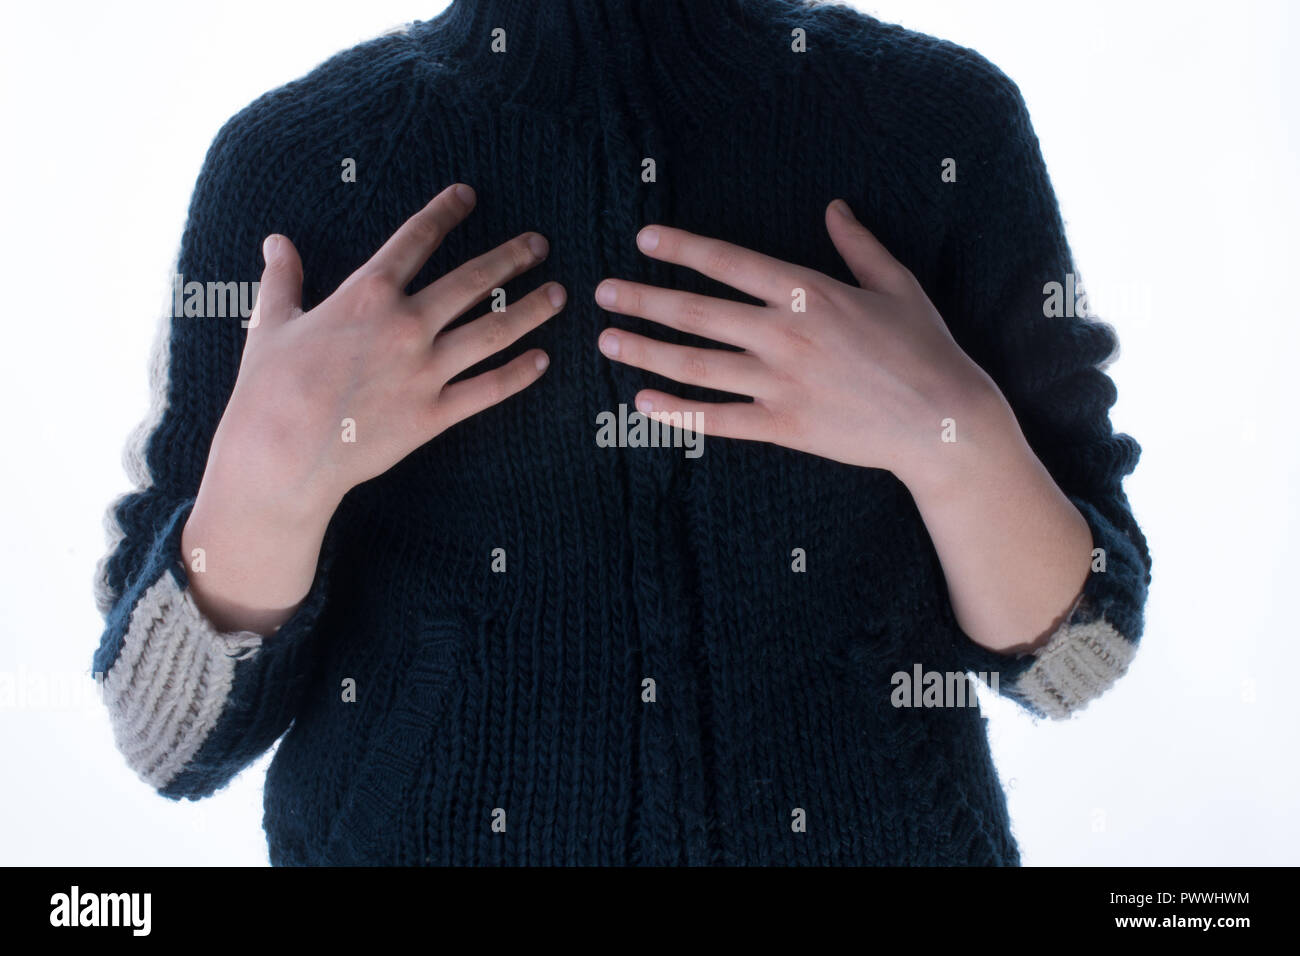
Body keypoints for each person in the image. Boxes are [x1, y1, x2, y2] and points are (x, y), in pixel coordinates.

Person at [91, 0, 1152, 865]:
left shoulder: (940, 126)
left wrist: (950, 434)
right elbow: (165, 733)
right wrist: (269, 479)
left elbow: (1079, 657)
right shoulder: (293, 166)